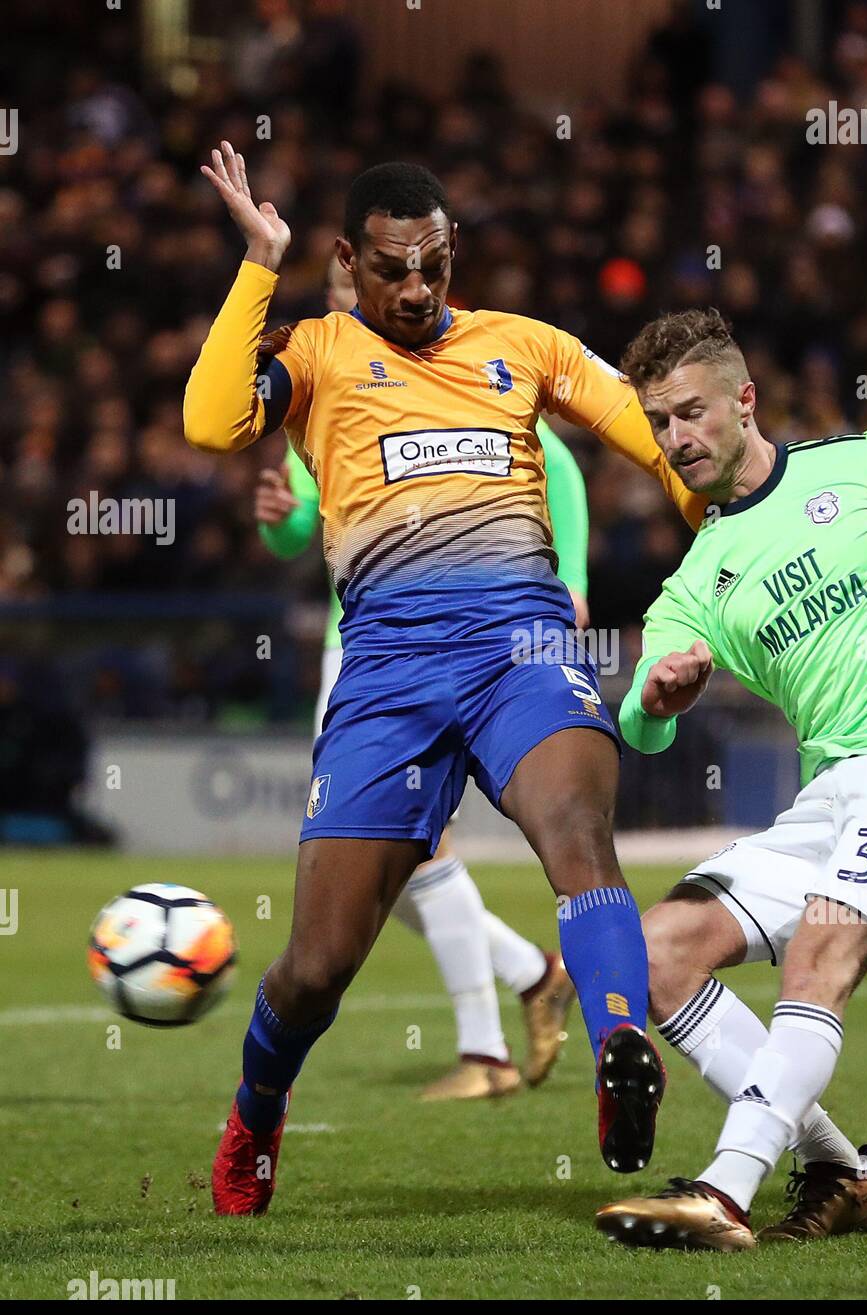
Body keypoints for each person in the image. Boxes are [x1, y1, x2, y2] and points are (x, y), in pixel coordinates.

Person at [184, 146, 707, 1214]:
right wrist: (257, 266)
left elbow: (654, 444)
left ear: (451, 254)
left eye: (432, 266)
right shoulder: (318, 351)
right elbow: (210, 419)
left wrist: (717, 532)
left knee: (577, 831)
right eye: (390, 269)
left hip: (520, 650)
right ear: (345, 259)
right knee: (318, 966)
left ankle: (617, 1041)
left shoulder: (529, 348)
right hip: (385, 673)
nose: (416, 289)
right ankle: (256, 1110)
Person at [594, 308, 867, 1251]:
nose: (677, 439)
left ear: (745, 400)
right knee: (656, 949)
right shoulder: (697, 578)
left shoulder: (865, 464)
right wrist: (657, 700)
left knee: (818, 949)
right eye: (660, 423)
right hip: (828, 797)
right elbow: (639, 732)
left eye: (693, 413)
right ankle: (837, 1170)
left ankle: (724, 1190)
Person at [255, 262, 588, 1100]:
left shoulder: (461, 375)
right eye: (331, 300)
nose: (341, 313)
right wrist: (278, 522)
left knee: (416, 850)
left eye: (349, 297)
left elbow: (556, 463)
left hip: (471, 639)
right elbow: (301, 522)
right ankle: (528, 970)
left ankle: (486, 1049)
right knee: (373, 864)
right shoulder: (324, 382)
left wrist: (572, 573)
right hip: (363, 644)